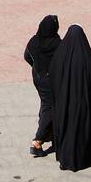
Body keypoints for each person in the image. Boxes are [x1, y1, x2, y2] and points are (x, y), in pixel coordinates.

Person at [49, 25, 91, 172]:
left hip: (65, 105)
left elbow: (52, 77)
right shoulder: (89, 60)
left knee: (67, 129)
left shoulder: (59, 57)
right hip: (84, 107)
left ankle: (65, 159)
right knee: (83, 129)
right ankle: (84, 158)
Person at [23, 15, 61, 157]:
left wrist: (37, 67)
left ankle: (51, 134)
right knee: (49, 107)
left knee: (45, 104)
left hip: (38, 79)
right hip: (52, 81)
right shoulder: (58, 43)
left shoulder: (33, 41)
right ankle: (37, 141)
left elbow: (27, 57)